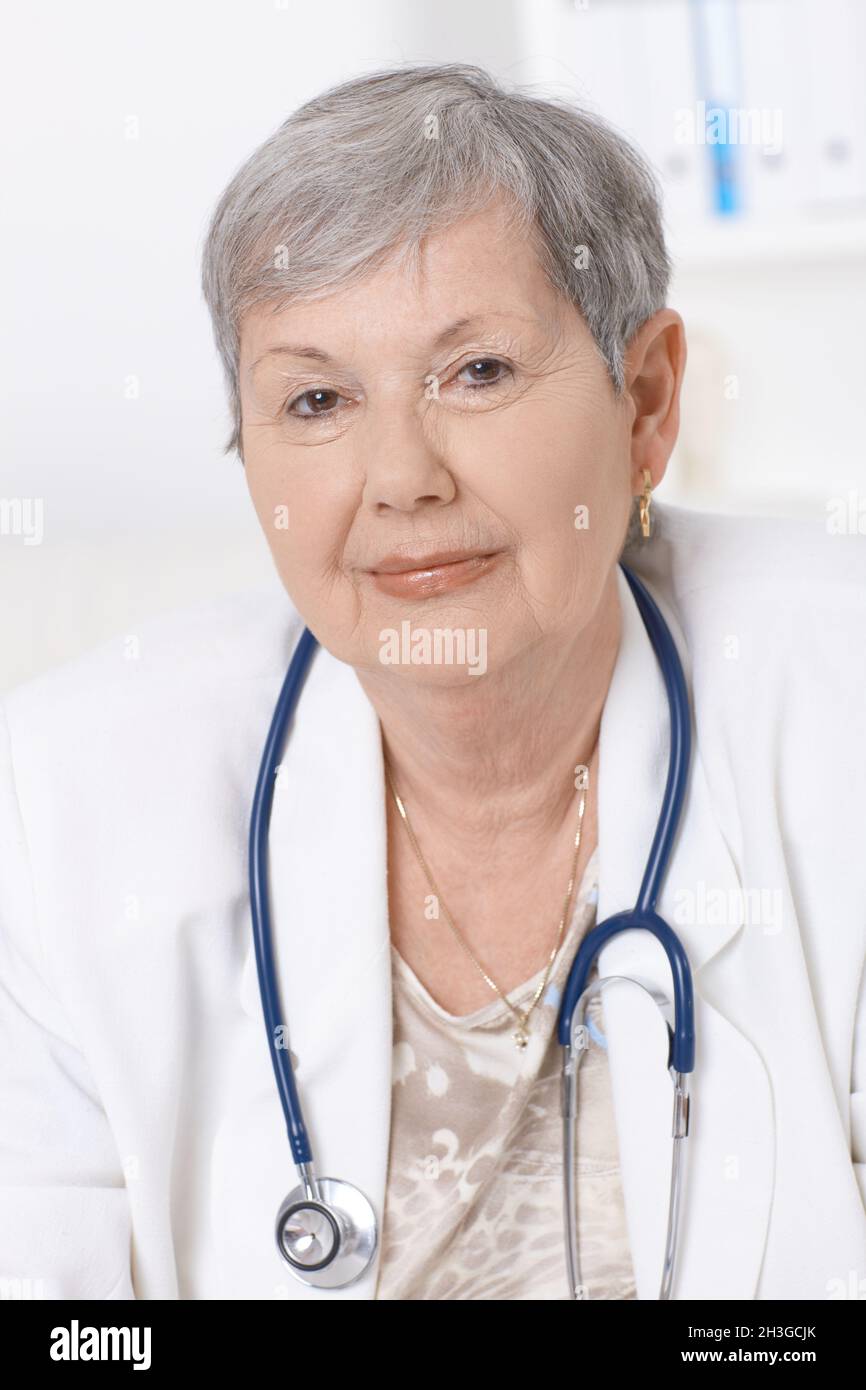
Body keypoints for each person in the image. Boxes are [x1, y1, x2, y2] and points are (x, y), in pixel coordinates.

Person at [1, 63, 864, 1301]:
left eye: (476, 373)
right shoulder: (56, 806)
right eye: (315, 398)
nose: (399, 477)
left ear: (647, 403)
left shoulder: (841, 703)